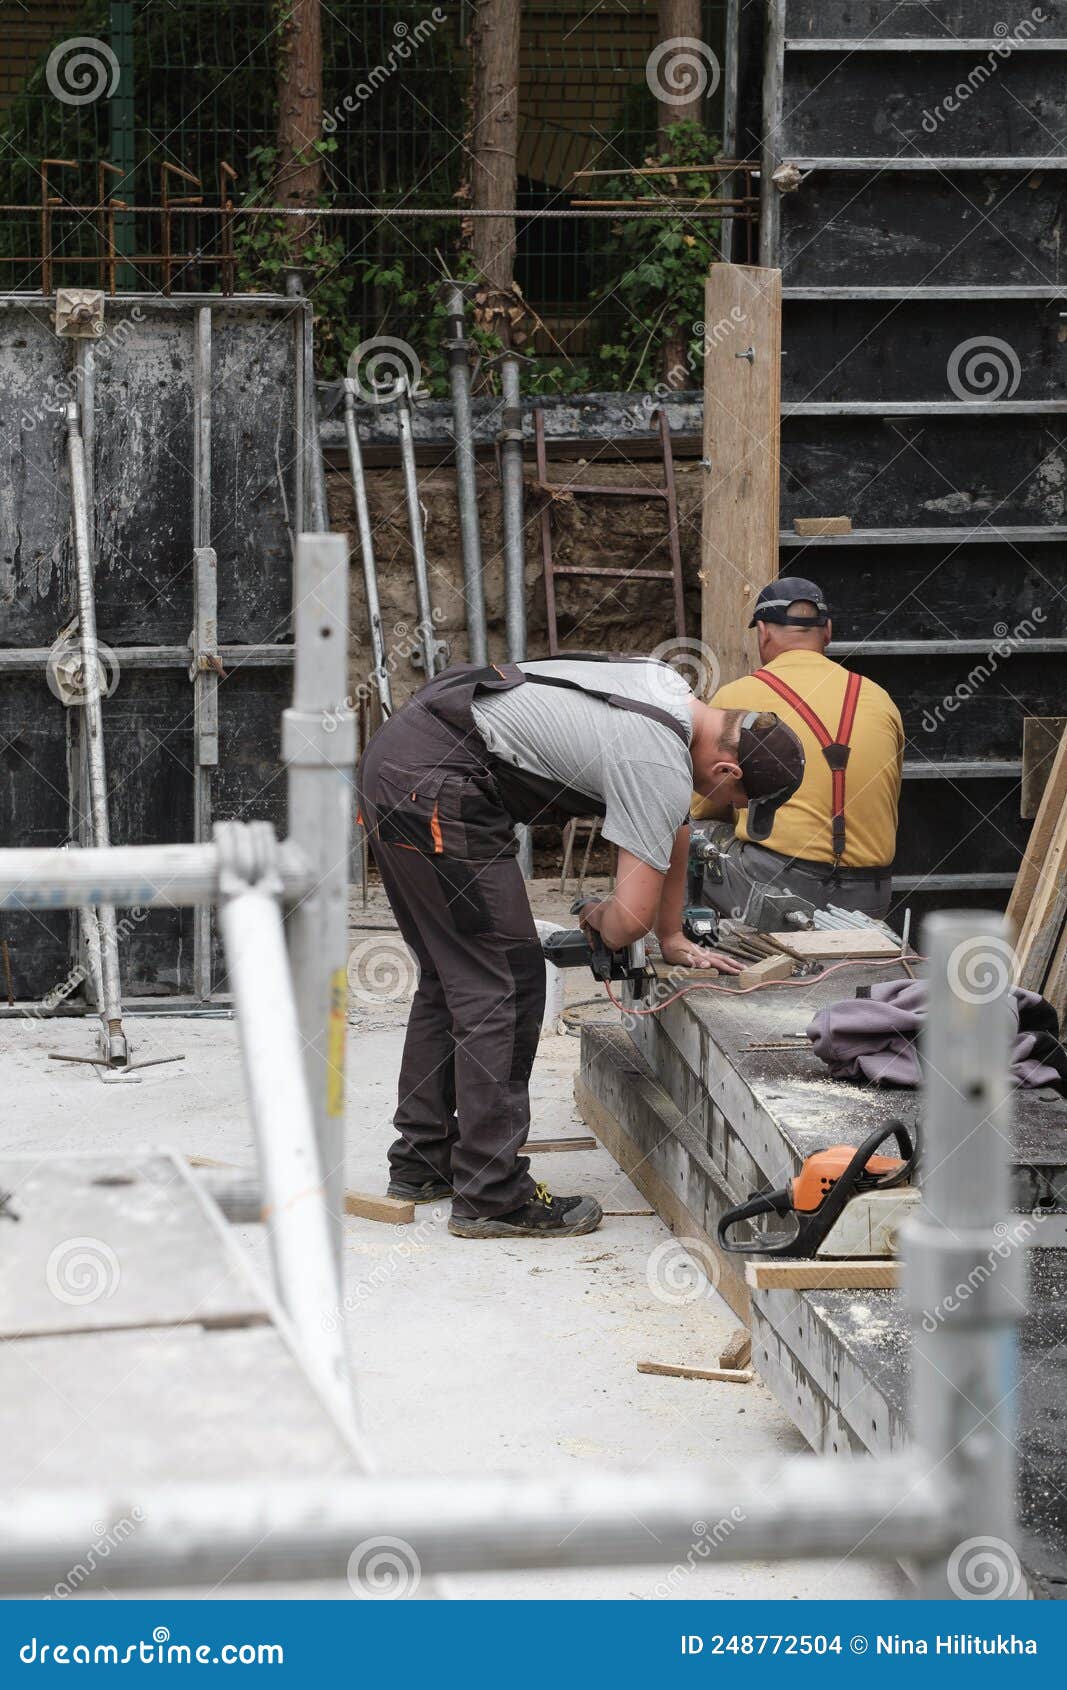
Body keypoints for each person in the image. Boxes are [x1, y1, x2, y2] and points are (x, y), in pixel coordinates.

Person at [357, 655, 804, 1241]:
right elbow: (626, 924)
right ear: (726, 769)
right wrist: (604, 916)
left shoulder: (670, 694)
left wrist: (671, 935)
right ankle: (492, 1196)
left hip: (404, 761)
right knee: (507, 984)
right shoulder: (657, 759)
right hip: (437, 786)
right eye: (737, 800)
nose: (730, 809)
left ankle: (424, 1160)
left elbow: (673, 824)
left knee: (455, 974)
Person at [693, 577, 903, 923]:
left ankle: (696, 943)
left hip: (777, 890)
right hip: (870, 898)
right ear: (828, 631)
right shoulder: (879, 699)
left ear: (763, 632)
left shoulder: (735, 697)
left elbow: (704, 805)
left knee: (688, 836)